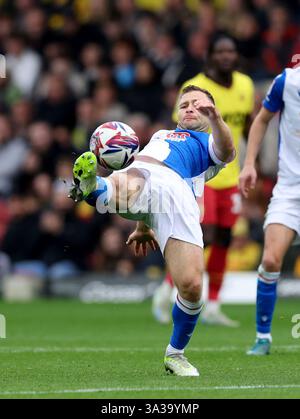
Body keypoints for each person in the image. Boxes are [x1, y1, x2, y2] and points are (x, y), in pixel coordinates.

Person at [69, 85, 235, 376]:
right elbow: (144, 176)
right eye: (184, 104)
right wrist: (142, 224)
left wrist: (218, 120)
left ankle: (175, 354)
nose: (190, 108)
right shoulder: (160, 135)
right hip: (143, 174)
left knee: (192, 286)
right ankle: (94, 186)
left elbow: (228, 151)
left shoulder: (207, 143)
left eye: (198, 104)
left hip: (177, 194)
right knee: (130, 183)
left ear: (211, 111)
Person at [153, 34, 255, 327]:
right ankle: (170, 285)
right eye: (220, 51)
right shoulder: (196, 88)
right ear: (209, 55)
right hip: (202, 171)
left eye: (231, 51)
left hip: (231, 173)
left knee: (224, 238)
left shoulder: (245, 84)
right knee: (203, 233)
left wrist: (250, 164)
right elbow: (181, 127)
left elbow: (246, 126)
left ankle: (212, 304)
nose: (226, 56)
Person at [239, 66, 300, 355]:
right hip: (289, 191)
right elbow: (261, 120)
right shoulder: (286, 82)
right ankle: (263, 337)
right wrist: (249, 163)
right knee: (272, 260)